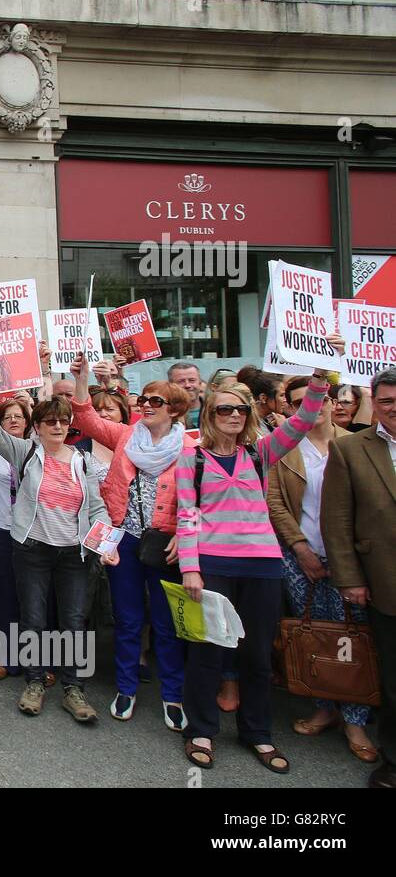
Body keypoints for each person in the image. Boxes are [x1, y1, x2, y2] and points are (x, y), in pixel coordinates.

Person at [176, 335, 343, 774]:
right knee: (208, 652)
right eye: (223, 409)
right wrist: (191, 568)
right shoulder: (191, 459)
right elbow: (188, 516)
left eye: (241, 409)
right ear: (209, 414)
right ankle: (201, 730)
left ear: (250, 415)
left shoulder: (261, 452)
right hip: (213, 566)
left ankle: (258, 733)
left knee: (255, 656)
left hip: (262, 566)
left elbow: (305, 418)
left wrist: (322, 373)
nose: (233, 416)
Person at [0, 375, 117, 724]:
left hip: (75, 554)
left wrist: (105, 546)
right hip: (33, 550)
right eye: (49, 421)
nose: (57, 426)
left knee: (73, 620)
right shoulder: (26, 452)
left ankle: (74, 688)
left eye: (63, 420)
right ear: (36, 426)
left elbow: (97, 508)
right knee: (34, 618)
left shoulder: (81, 462)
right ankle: (35, 682)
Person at [71, 354, 194, 729]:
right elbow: (87, 419)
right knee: (127, 619)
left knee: (166, 621)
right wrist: (82, 378)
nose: (146, 406)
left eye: (155, 401)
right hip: (124, 541)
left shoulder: (189, 448)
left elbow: (200, 500)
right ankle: (125, 689)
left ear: (173, 410)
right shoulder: (126, 436)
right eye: (143, 400)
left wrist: (185, 539)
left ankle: (172, 695)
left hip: (166, 545)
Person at [266, 375, 377, 763]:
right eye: (294, 403)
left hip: (352, 558)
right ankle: (324, 707)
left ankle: (356, 718)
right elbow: (275, 503)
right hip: (301, 557)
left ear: (330, 401)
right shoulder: (284, 448)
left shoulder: (358, 444)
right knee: (312, 632)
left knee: (354, 634)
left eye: (312, 400)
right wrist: (299, 547)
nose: (306, 408)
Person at [321, 367, 396, 788]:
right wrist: (349, 579)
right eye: (385, 401)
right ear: (376, 403)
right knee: (394, 679)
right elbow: (336, 519)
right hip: (385, 580)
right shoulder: (351, 449)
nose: (394, 409)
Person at [0, 397, 34, 682]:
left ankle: (36, 659)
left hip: (31, 531)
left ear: (28, 422)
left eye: (19, 416)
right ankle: (7, 656)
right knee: (3, 594)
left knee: (33, 595)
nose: (13, 420)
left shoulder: (37, 449)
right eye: (7, 417)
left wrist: (42, 373)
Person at [167, 362, 204, 429]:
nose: (187, 385)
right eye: (181, 381)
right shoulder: (164, 413)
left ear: (200, 383)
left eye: (192, 380)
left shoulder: (214, 410)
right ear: (171, 386)